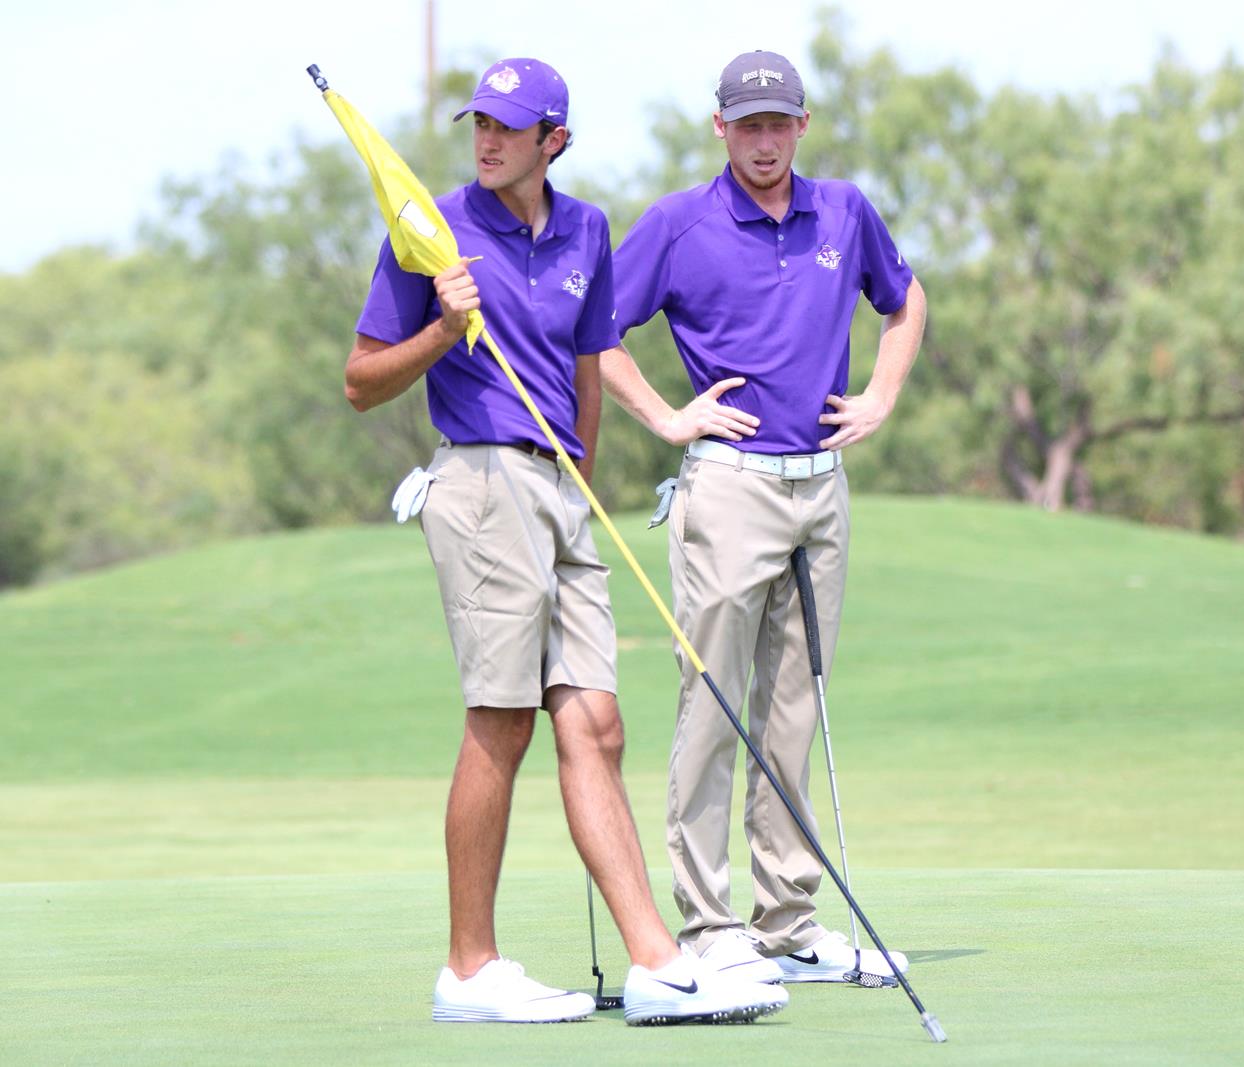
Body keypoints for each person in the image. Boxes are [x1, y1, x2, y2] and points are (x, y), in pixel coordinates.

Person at [345, 56, 787, 1027]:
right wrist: (440, 328)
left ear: (556, 140)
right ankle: (469, 965)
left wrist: (582, 480)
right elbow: (361, 378)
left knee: (596, 723)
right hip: (478, 478)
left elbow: (590, 361)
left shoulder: (586, 228)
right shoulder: (433, 233)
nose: (486, 140)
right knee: (501, 719)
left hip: (557, 489)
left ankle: (655, 961)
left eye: (508, 127)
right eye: (478, 125)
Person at [601, 49, 927, 986]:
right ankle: (708, 927)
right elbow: (597, 334)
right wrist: (667, 416)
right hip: (730, 486)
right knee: (712, 702)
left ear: (802, 124)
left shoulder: (845, 211)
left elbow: (904, 306)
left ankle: (788, 920)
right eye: (747, 125)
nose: (764, 140)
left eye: (778, 123)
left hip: (821, 486)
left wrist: (880, 396)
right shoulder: (679, 223)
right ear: (721, 129)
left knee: (794, 709)